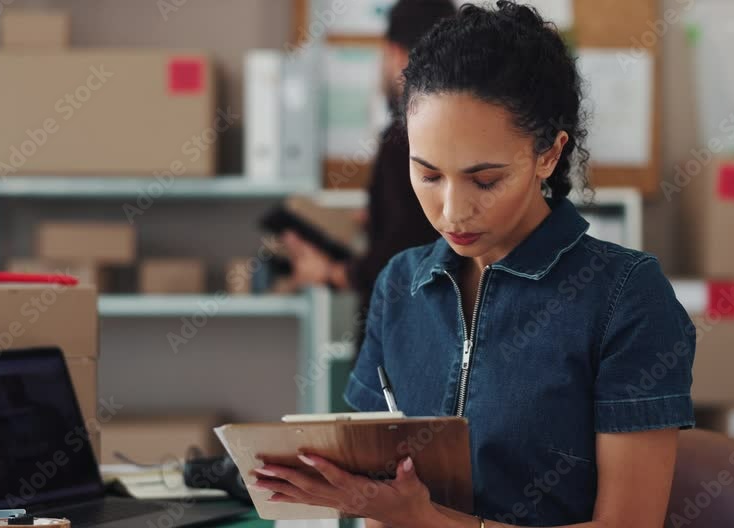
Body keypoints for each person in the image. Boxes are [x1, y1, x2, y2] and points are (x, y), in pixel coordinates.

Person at [255, 2, 696, 527]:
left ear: (549, 155)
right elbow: (378, 504)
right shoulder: (401, 283)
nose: (452, 211)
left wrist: (428, 520)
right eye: (428, 174)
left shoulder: (626, 296)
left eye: (485, 180)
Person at [280, 0, 457, 354]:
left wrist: (329, 273)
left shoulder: (404, 138)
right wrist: (373, 217)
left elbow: (402, 253)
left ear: (395, 52)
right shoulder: (456, 129)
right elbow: (418, 227)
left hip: (400, 339)